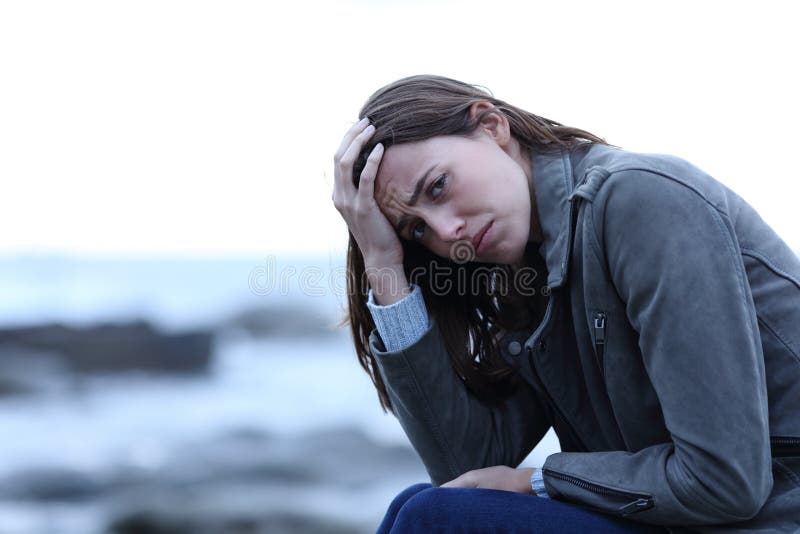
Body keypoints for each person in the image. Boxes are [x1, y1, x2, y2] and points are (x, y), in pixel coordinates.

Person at [331, 75, 800, 533]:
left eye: (438, 187)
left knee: (427, 518)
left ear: (491, 126)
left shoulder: (640, 200)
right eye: (418, 231)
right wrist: (383, 262)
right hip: (682, 518)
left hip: (775, 513)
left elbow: (727, 482)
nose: (446, 231)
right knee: (417, 505)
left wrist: (539, 482)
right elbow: (462, 469)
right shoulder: (528, 273)